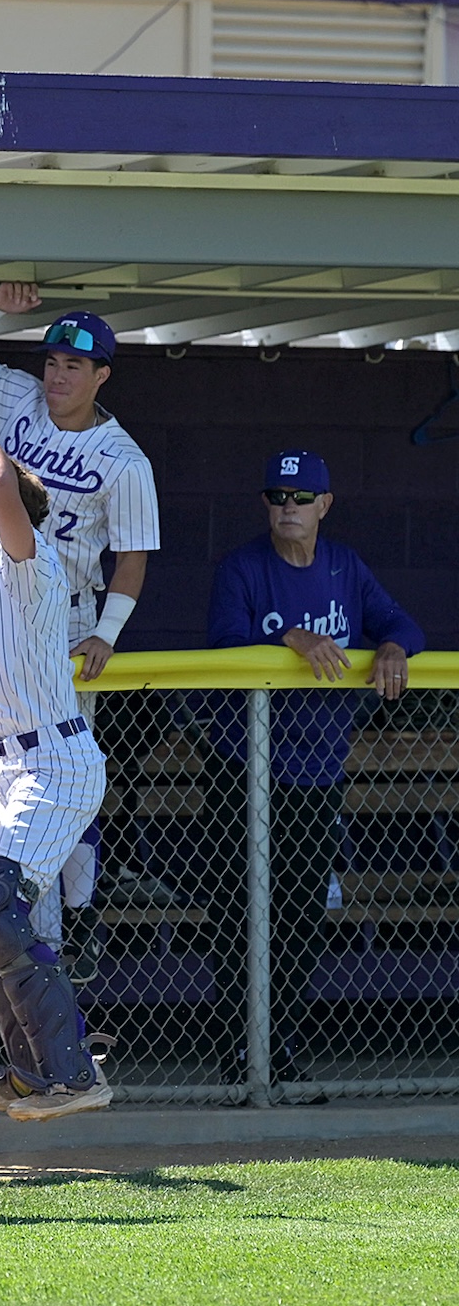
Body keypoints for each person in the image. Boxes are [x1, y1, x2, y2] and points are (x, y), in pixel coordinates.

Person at [0, 285, 160, 980]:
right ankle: (30, 932)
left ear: (101, 376)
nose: (58, 375)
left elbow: (133, 556)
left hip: (66, 613)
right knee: (6, 770)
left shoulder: (123, 456)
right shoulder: (21, 402)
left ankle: (79, 911)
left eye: (74, 366)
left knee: (61, 768)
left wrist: (108, 633)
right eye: (53, 361)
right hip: (3, 602)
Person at [202, 450, 424, 1088]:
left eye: (301, 498)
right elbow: (222, 648)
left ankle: (282, 1047)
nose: (288, 507)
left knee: (299, 914)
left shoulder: (344, 566)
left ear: (324, 504)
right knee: (241, 911)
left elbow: (403, 623)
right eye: (277, 496)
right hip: (245, 768)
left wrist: (389, 644)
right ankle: (238, 1051)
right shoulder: (243, 567)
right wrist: (290, 639)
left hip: (319, 770)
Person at [0, 388, 112, 1122]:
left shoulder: (31, 565)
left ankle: (73, 1073)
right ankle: (26, 1071)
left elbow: (4, 483)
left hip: (62, 762)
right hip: (18, 766)